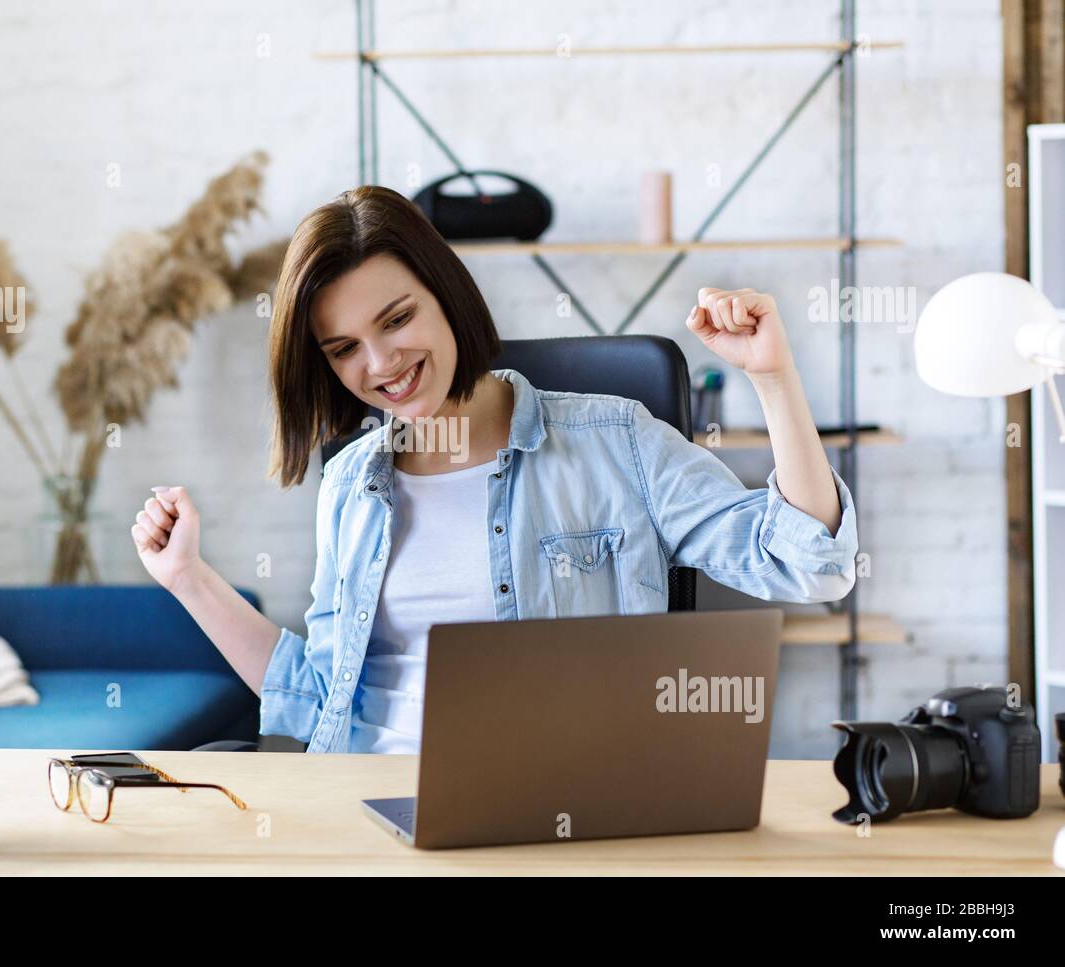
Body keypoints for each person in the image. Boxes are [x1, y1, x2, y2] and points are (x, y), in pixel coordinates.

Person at [131, 185, 857, 754]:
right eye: (343, 347)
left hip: (560, 804)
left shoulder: (617, 442)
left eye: (395, 319)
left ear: (447, 295)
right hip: (364, 809)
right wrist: (188, 577)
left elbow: (811, 567)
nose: (380, 365)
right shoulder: (351, 482)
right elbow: (320, 697)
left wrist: (773, 379)